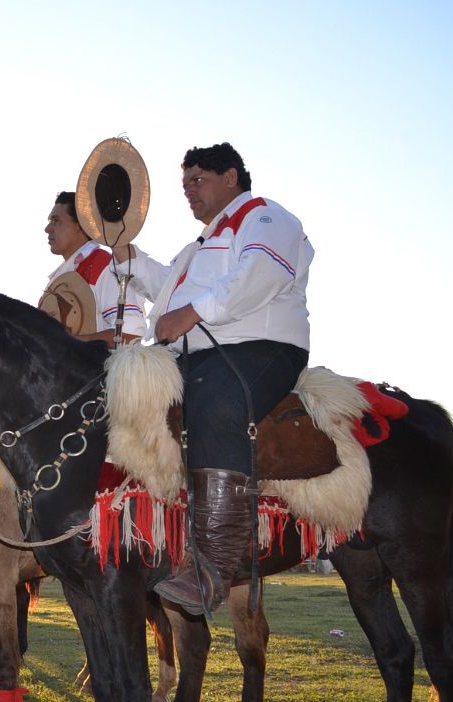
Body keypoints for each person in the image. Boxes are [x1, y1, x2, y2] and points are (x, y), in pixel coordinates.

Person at [128, 143, 313, 615]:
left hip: (261, 347)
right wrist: (125, 255)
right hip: (196, 353)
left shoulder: (265, 216)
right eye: (184, 184)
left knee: (215, 404)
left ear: (230, 177)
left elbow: (263, 274)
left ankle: (212, 566)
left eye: (197, 180)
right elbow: (166, 283)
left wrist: (191, 312)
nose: (188, 192)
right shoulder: (199, 246)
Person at [42, 190, 148, 346]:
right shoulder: (56, 279)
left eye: (56, 221)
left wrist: (64, 344)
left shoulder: (104, 266)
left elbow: (129, 335)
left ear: (81, 225)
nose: (48, 228)